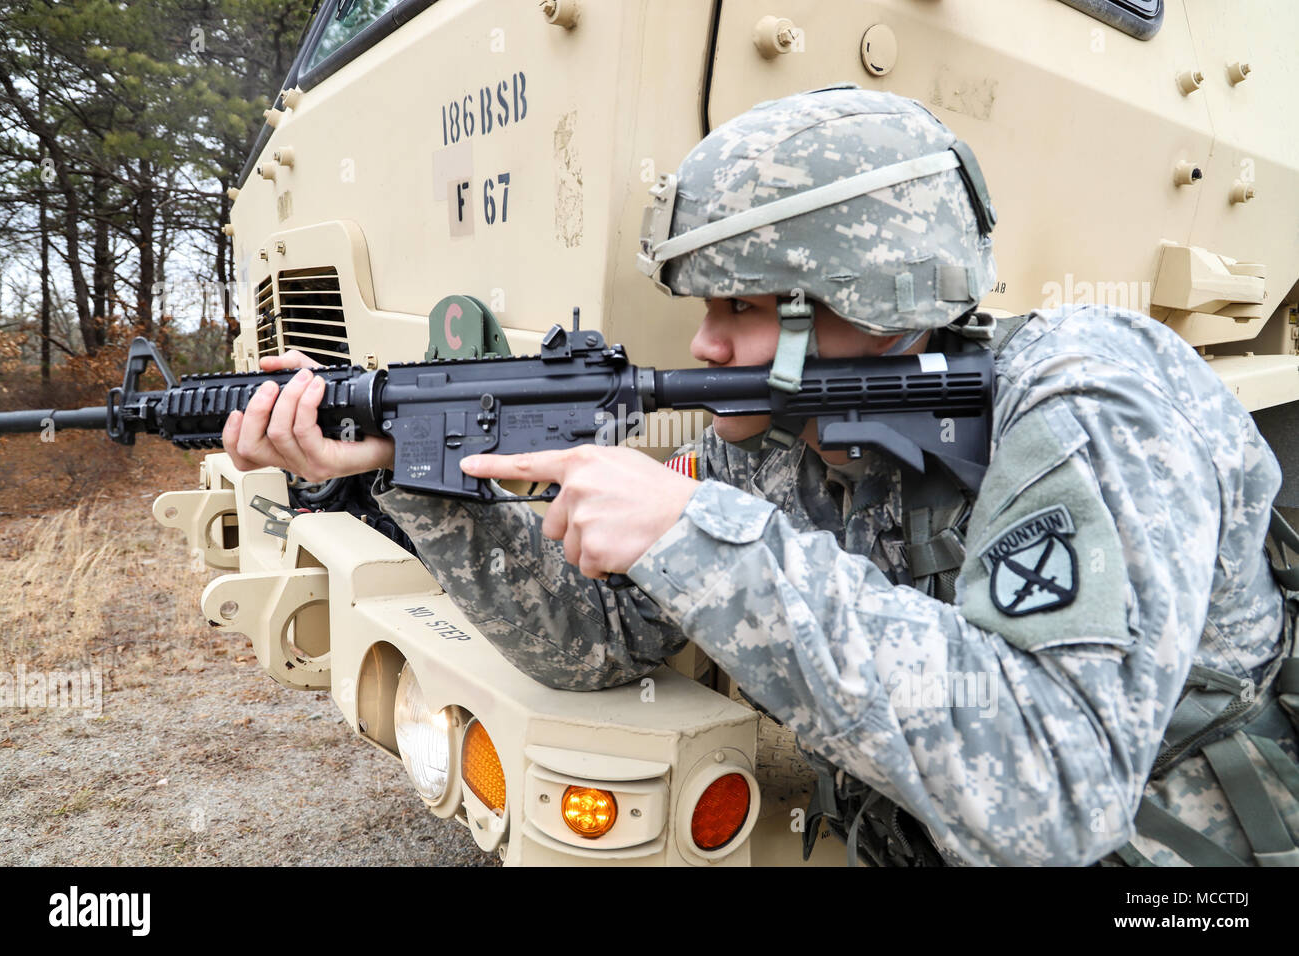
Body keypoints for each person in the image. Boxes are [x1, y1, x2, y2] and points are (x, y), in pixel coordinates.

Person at [222, 87, 1299, 867]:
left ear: (860, 290)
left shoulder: (1088, 398)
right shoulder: (792, 427)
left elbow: (1057, 794)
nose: (705, 342)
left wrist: (699, 533)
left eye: (738, 306)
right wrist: (418, 473)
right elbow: (593, 643)